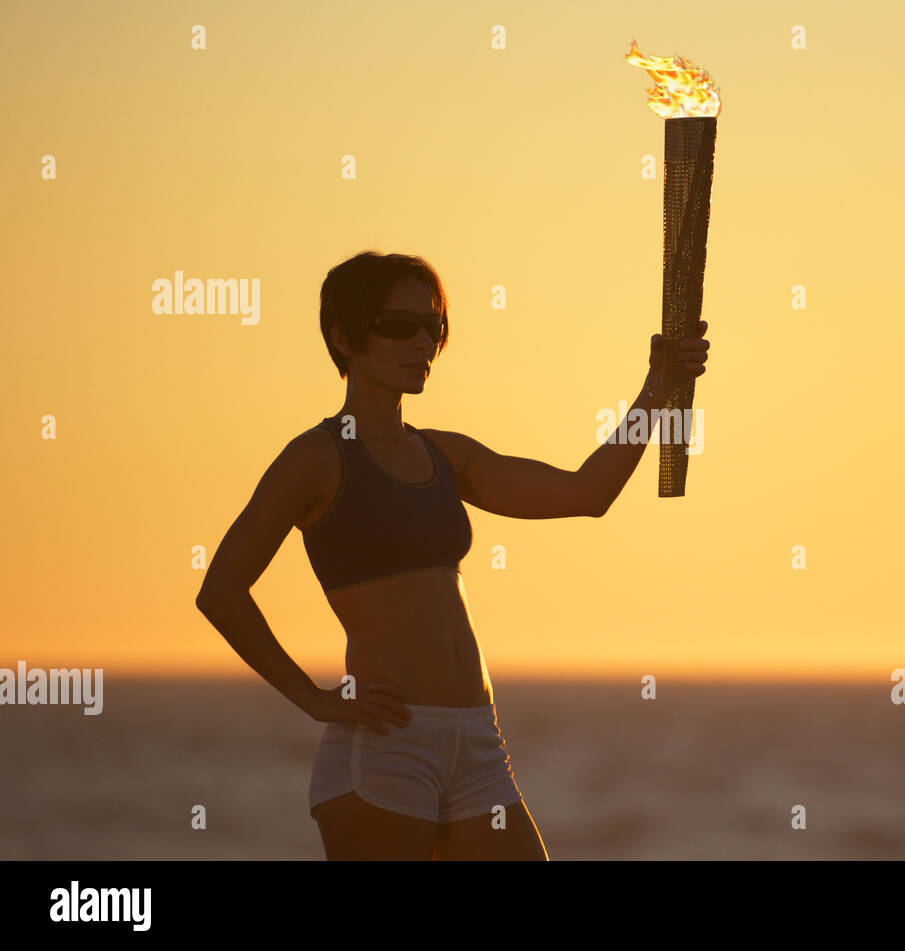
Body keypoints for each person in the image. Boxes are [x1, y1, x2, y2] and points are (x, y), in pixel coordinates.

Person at [195, 250, 710, 859]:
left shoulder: (445, 455)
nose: (422, 342)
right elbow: (220, 590)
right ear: (345, 338)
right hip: (387, 742)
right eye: (399, 325)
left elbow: (586, 492)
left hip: (478, 741)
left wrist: (657, 385)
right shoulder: (316, 458)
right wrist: (313, 699)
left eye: (432, 326)